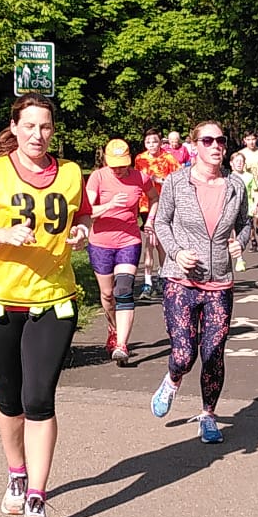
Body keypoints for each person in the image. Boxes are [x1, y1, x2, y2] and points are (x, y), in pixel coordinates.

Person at [0, 95, 89, 517]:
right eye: (29, 126)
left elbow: (81, 216)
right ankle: (16, 471)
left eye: (45, 127)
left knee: (39, 399)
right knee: (10, 400)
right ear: (14, 128)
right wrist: (3, 234)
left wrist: (83, 233)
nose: (38, 135)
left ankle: (37, 497)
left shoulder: (71, 173)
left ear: (54, 130)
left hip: (53, 300)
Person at [150, 119, 251, 443]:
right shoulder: (177, 182)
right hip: (181, 279)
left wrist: (241, 241)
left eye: (221, 140)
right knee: (184, 353)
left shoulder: (236, 186)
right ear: (194, 146)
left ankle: (208, 415)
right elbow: (161, 222)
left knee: (213, 353)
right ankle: (173, 379)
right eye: (207, 140)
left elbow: (245, 222)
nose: (216, 146)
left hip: (219, 279)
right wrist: (177, 252)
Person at [85, 139, 156, 366]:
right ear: (106, 161)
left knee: (123, 289)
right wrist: (110, 205)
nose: (119, 169)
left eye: (123, 164)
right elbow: (86, 211)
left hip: (129, 240)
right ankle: (113, 329)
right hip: (100, 242)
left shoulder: (140, 177)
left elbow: (154, 197)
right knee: (108, 295)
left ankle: (121, 345)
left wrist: (150, 220)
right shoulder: (98, 177)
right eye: (114, 164)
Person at [134, 129, 180, 297]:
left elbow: (177, 178)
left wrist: (159, 180)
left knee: (160, 242)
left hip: (164, 203)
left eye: (154, 141)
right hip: (146, 204)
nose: (151, 145)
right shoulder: (140, 158)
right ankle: (148, 281)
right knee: (150, 241)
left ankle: (162, 275)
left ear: (161, 142)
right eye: (148, 142)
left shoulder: (168, 158)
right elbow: (137, 179)